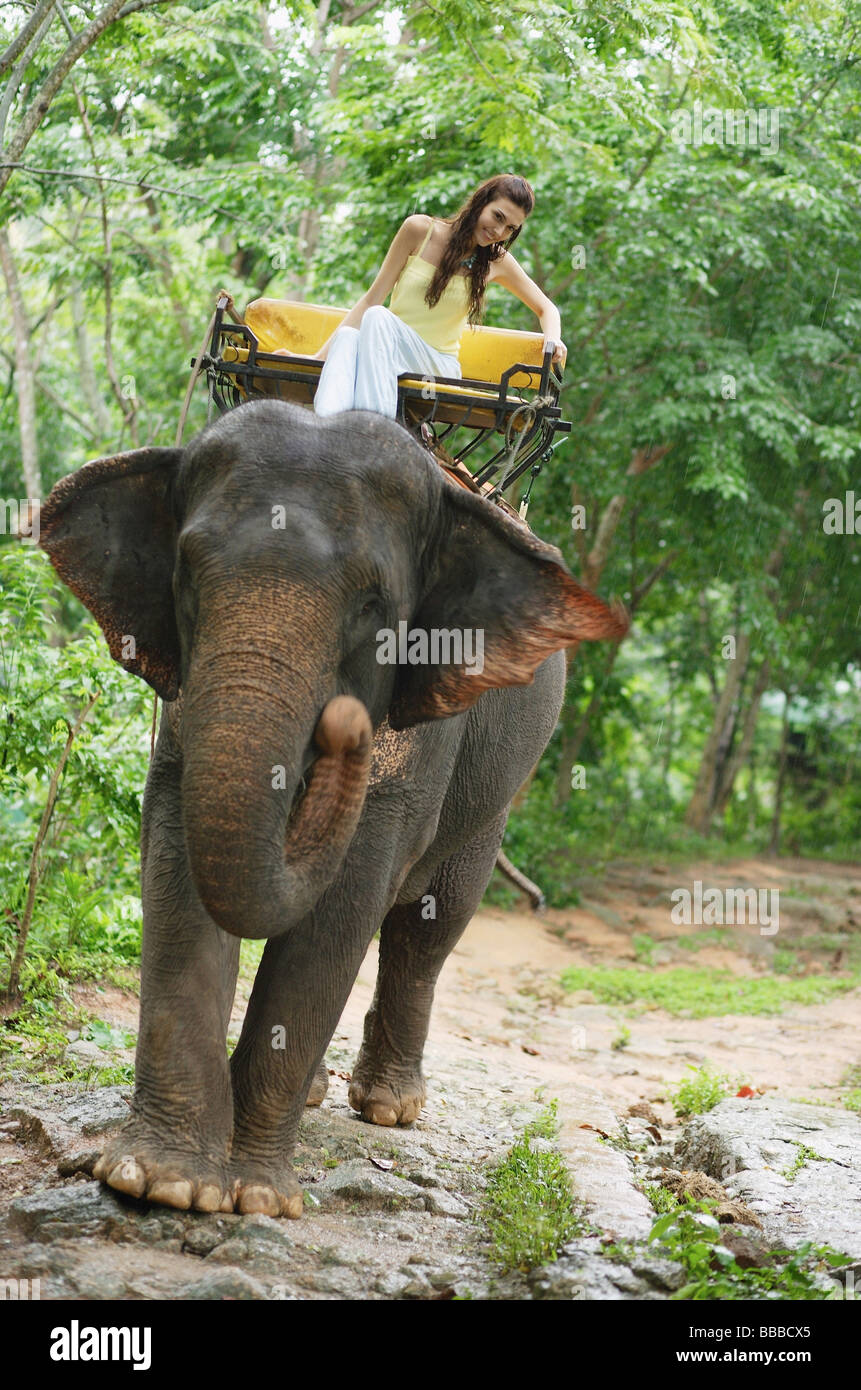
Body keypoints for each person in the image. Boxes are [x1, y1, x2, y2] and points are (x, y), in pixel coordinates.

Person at [292, 174, 567, 421]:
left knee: (377, 318)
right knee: (348, 337)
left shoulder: (497, 262)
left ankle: (375, 428)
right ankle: (328, 425)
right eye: (497, 217)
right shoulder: (418, 230)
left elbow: (547, 309)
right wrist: (314, 359)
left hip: (437, 366)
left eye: (510, 228)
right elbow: (370, 300)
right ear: (481, 202)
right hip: (386, 348)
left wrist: (553, 339)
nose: (499, 232)